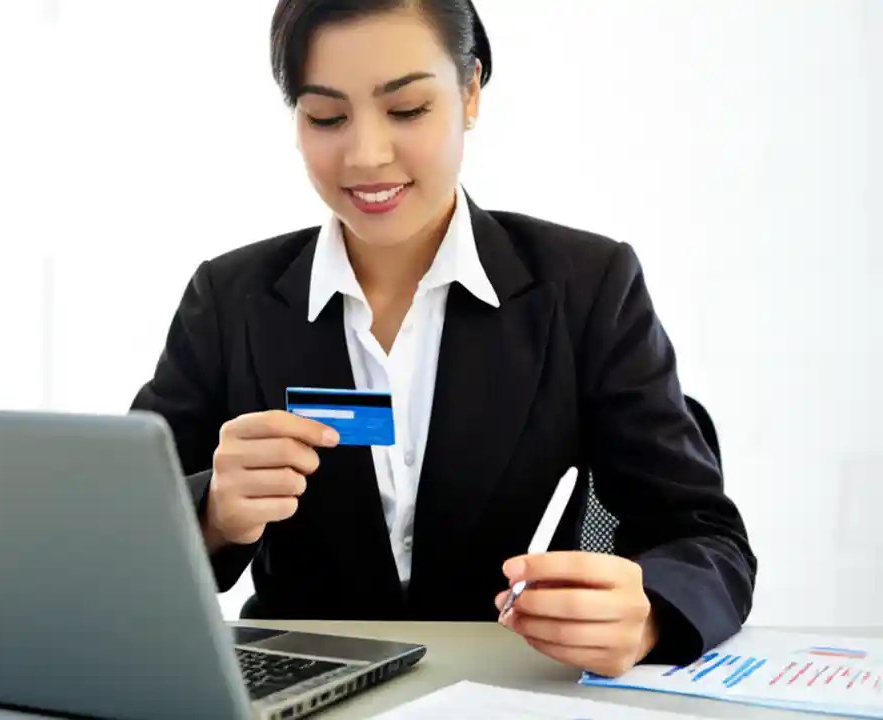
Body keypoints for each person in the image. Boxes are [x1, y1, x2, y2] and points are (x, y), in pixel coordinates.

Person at [131, 0, 756, 678]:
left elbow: (706, 538)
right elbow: (113, 539)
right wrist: (212, 514)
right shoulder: (230, 300)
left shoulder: (587, 288)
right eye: (327, 117)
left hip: (514, 685)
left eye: (407, 110)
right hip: (298, 687)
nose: (367, 155)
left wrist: (650, 613)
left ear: (470, 92)